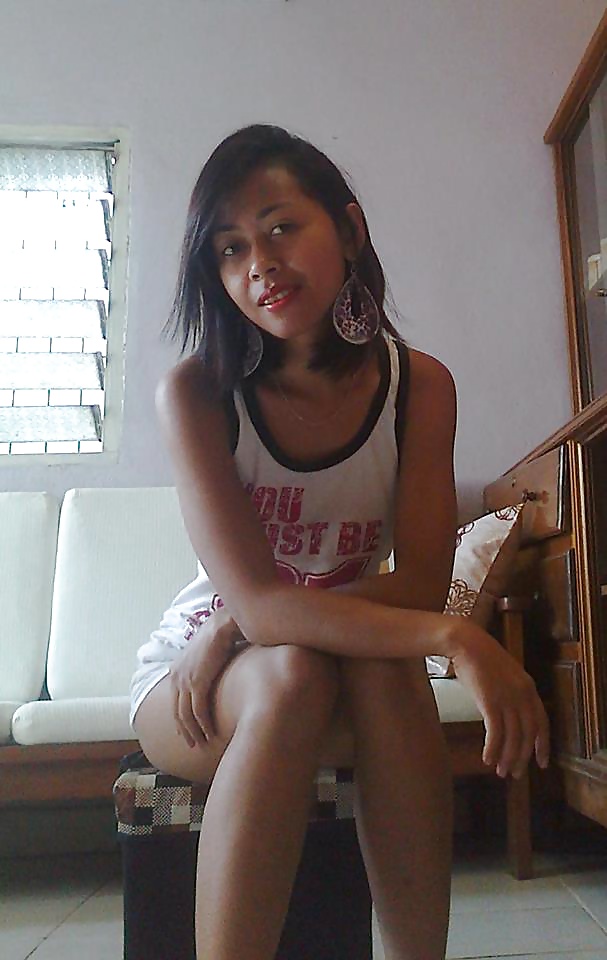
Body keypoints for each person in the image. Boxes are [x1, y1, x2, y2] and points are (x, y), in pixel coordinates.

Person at [130, 124, 550, 960]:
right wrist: (454, 637)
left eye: (281, 227)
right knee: (292, 673)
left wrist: (246, 622)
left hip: (303, 657)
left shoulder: (417, 386)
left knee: (381, 667)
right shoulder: (197, 393)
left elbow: (420, 583)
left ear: (349, 230)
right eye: (229, 248)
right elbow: (263, 605)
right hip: (199, 681)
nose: (259, 263)